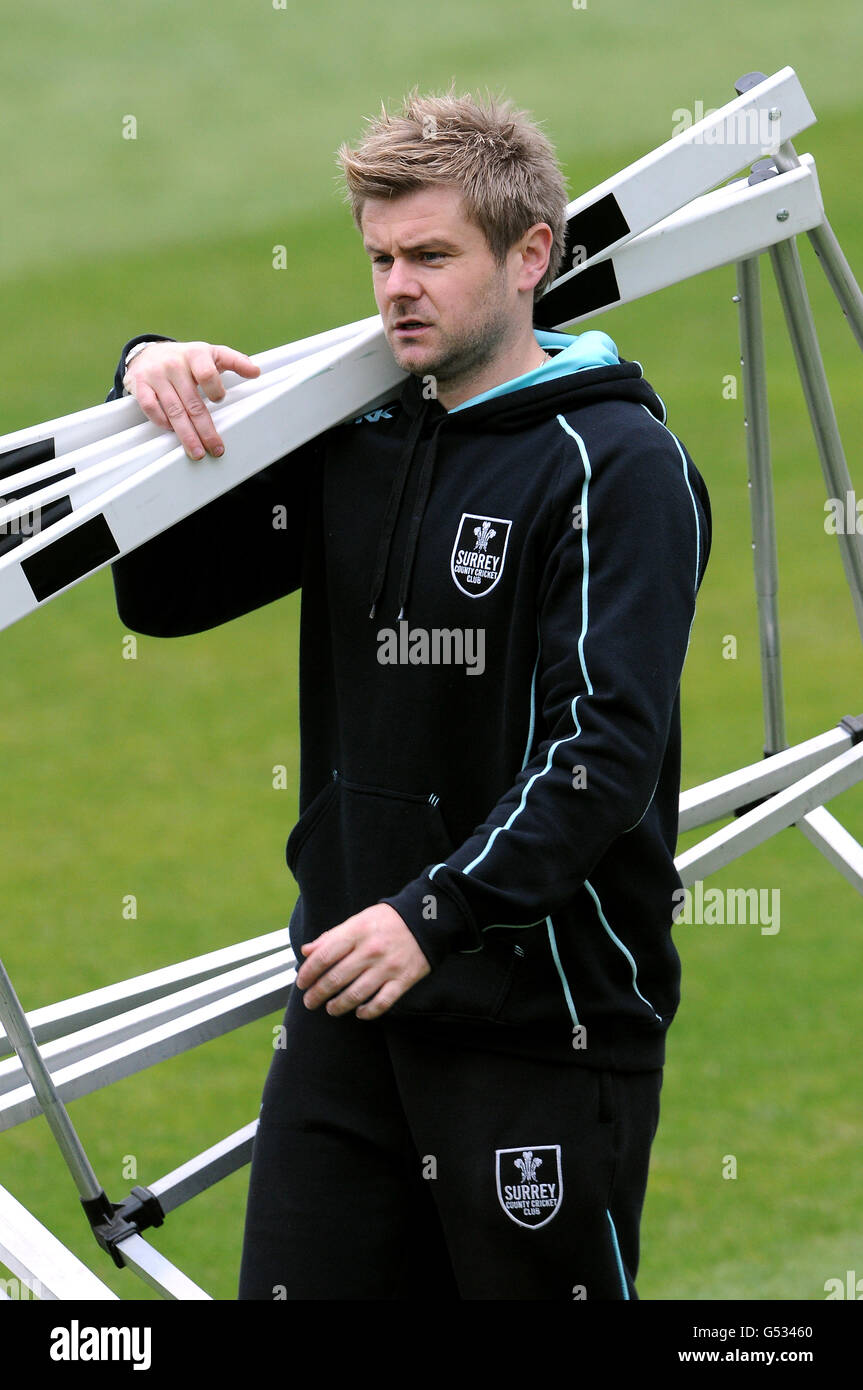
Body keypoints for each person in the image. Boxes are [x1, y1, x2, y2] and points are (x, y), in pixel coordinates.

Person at [107, 89, 711, 1300]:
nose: (396, 288)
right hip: (346, 1000)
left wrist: (431, 914)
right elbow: (160, 595)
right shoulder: (364, 432)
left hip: (537, 1023)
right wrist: (144, 372)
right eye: (381, 258)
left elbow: (601, 751)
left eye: (431, 256)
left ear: (529, 254)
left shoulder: (616, 466)